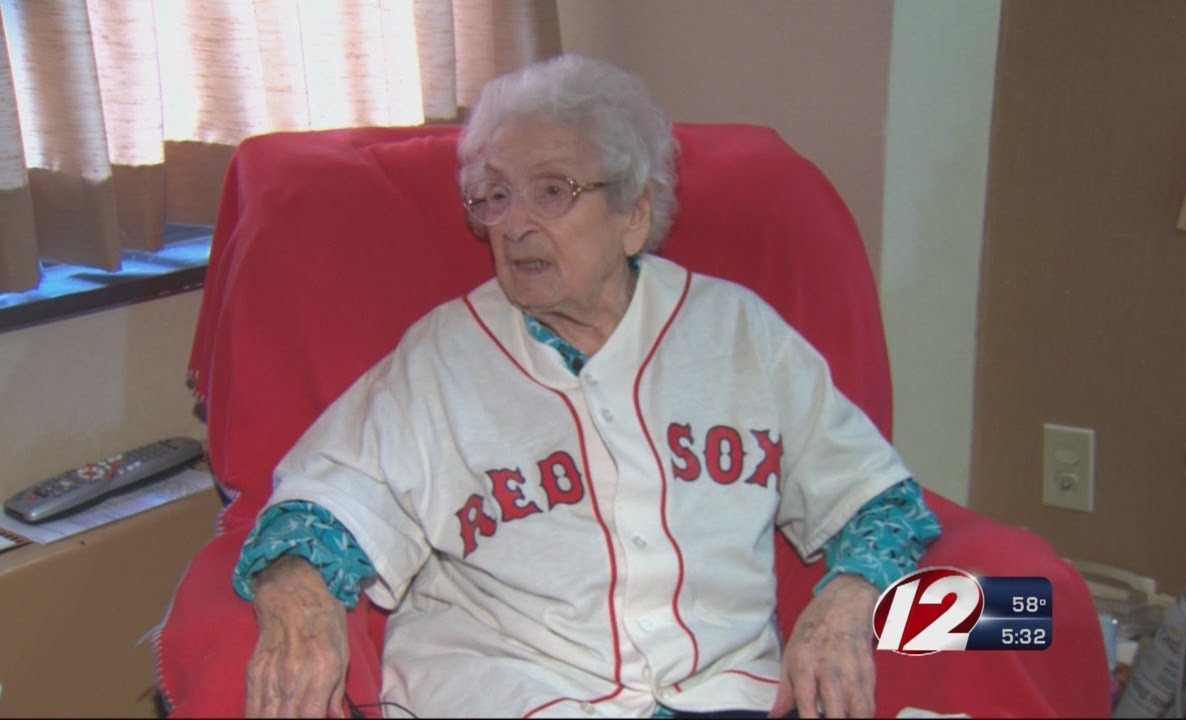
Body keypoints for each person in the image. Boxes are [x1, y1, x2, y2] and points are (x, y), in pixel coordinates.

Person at [234, 54, 941, 719]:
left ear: (634, 214)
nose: (515, 225)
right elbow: (324, 507)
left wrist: (853, 597)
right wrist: (296, 590)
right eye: (494, 197)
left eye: (552, 191)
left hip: (724, 696)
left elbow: (876, 499)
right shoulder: (443, 358)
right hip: (510, 693)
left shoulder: (740, 335)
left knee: (1026, 612)